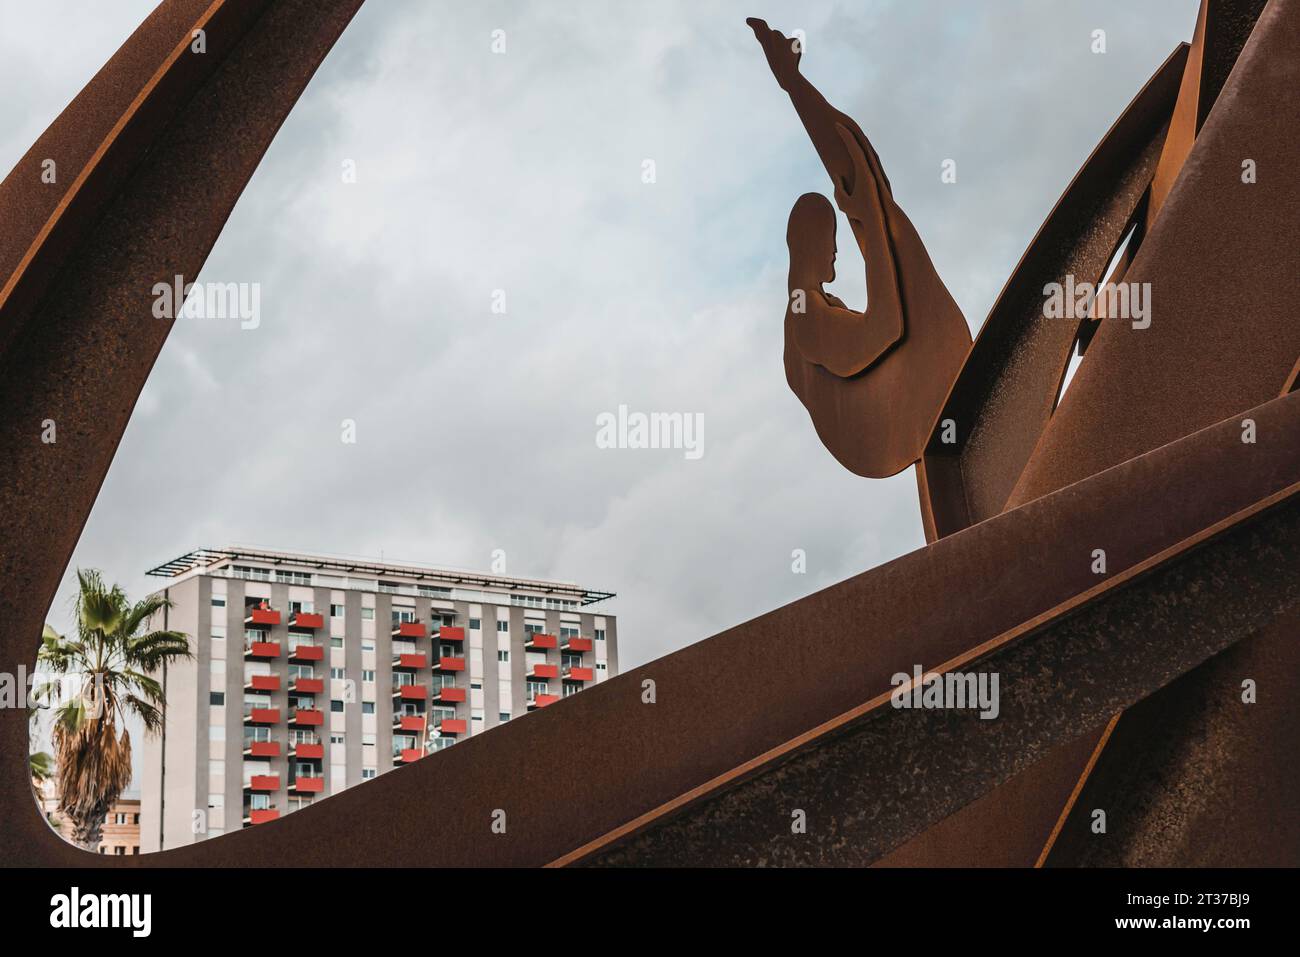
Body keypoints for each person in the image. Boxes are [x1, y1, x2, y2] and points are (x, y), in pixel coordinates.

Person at [749, 18, 972, 478]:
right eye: (832, 244)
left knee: (868, 190)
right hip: (907, 414)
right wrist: (868, 208)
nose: (836, 255)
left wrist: (796, 87)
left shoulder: (810, 311)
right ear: (809, 244)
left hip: (911, 404)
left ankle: (863, 192)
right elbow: (888, 327)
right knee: (870, 197)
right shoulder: (804, 316)